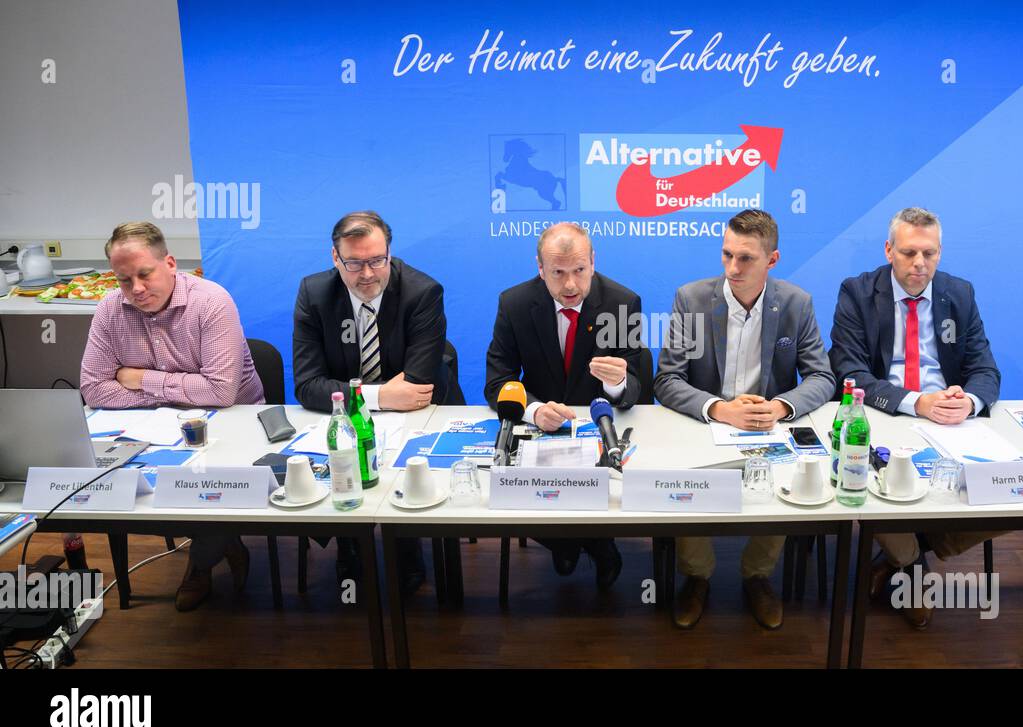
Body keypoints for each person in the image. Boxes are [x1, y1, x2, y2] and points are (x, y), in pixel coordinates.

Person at [655, 209, 835, 630]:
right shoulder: (692, 298)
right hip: (706, 422)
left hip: (766, 425)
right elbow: (667, 379)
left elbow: (822, 376)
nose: (732, 268)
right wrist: (719, 409)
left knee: (785, 481)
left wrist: (780, 407)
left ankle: (757, 576)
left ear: (772, 260)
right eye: (726, 255)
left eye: (746, 258)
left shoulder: (795, 303)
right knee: (689, 481)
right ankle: (697, 577)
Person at [828, 206, 1003, 629]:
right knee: (865, 480)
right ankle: (911, 567)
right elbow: (849, 372)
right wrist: (915, 402)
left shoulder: (959, 293)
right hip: (882, 413)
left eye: (929, 253)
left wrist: (971, 402)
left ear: (940, 253)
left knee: (1007, 490)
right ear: (889, 250)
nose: (919, 263)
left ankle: (907, 550)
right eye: (908, 253)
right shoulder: (857, 292)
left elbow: (985, 369)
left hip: (950, 420)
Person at [80, 221, 264, 611]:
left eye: (144, 274)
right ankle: (224, 542)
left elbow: (220, 391)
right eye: (124, 279)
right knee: (133, 484)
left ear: (170, 263)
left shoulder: (211, 301)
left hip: (235, 422)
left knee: (208, 484)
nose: (137, 289)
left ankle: (200, 562)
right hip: (154, 425)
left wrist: (137, 378)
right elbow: (94, 389)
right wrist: (170, 396)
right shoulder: (110, 309)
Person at [293, 210, 453, 595]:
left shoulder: (422, 292)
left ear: (390, 253)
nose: (367, 274)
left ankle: (407, 551)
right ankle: (350, 549)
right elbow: (307, 385)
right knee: (346, 456)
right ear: (335, 258)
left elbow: (416, 388)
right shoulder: (314, 294)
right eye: (354, 263)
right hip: (354, 416)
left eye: (377, 261)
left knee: (403, 471)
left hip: (420, 418)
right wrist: (379, 395)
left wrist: (362, 393)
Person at [484, 222, 648, 591]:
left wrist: (617, 382)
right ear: (540, 269)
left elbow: (636, 388)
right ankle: (584, 541)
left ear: (593, 262)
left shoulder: (622, 303)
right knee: (513, 482)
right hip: (541, 429)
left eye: (579, 270)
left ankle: (575, 540)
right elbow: (497, 382)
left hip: (599, 427)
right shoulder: (514, 304)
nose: (570, 285)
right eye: (558, 273)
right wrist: (534, 409)